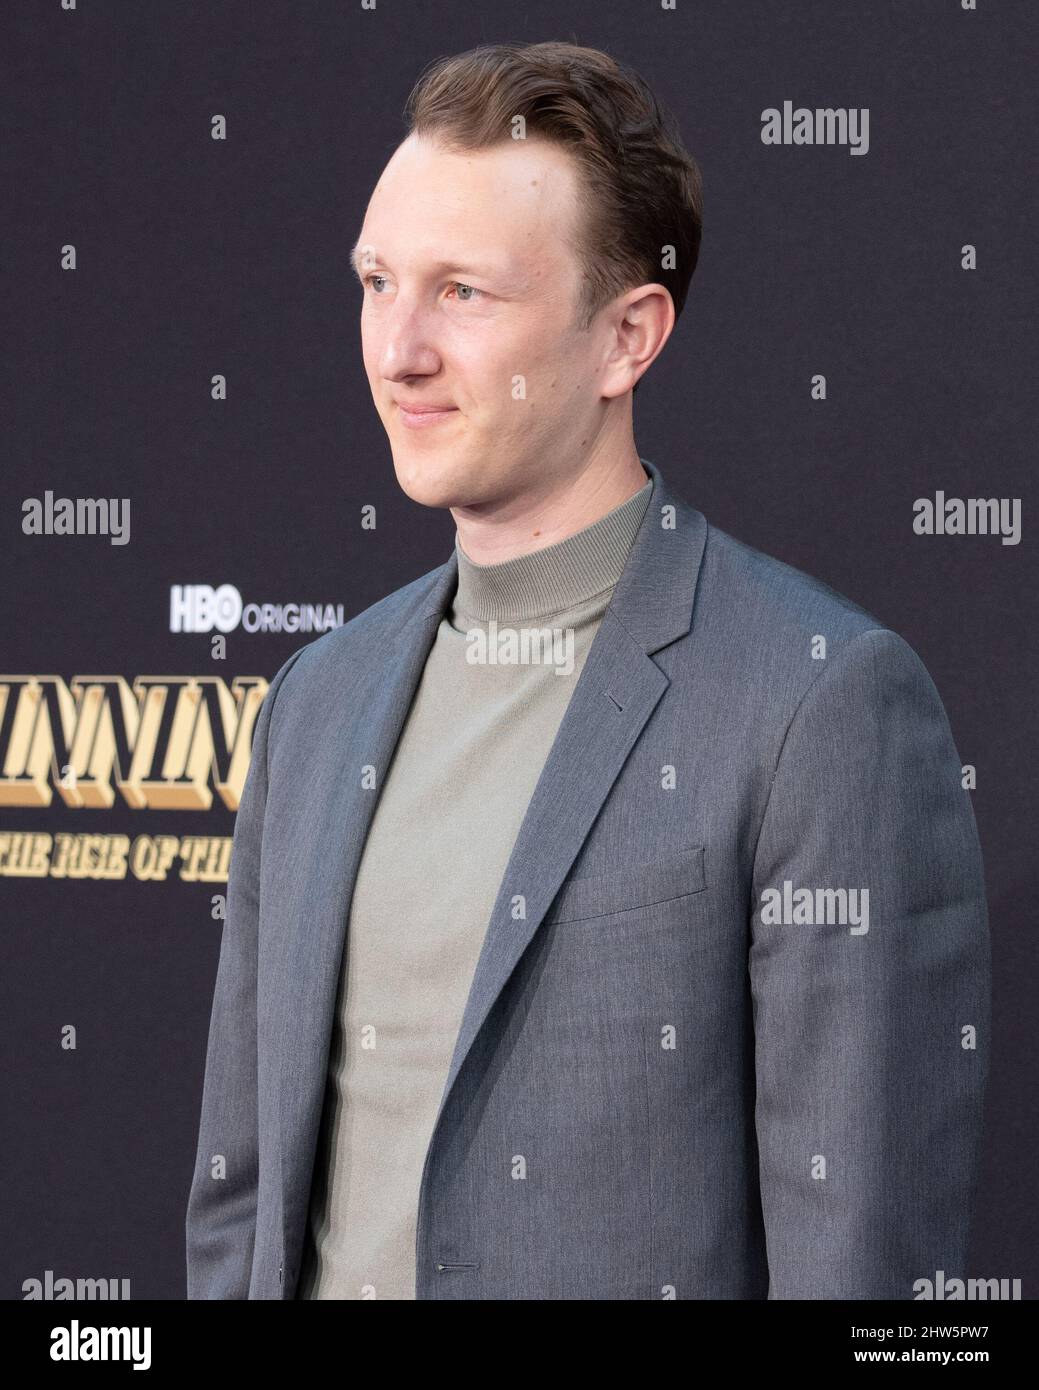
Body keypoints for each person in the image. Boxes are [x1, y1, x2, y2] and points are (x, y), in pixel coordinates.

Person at [186, 41, 990, 1300]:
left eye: (463, 295)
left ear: (626, 338)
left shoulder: (817, 703)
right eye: (378, 281)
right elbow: (239, 1205)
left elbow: (863, 1273)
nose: (396, 352)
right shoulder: (316, 700)